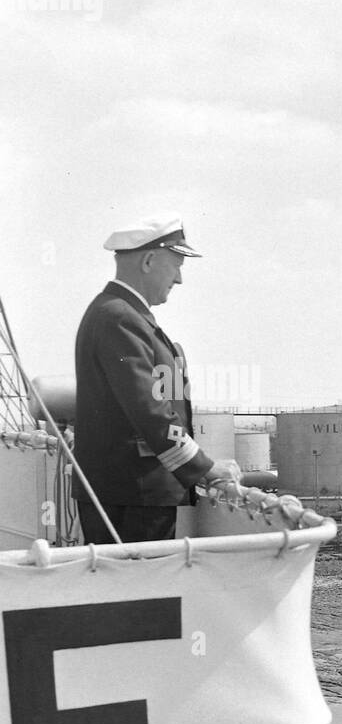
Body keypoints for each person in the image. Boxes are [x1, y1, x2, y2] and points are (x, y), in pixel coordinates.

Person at [73, 215, 242, 544]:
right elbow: (149, 411)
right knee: (140, 590)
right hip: (134, 497)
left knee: (133, 592)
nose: (179, 279)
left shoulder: (119, 313)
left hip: (134, 494)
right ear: (149, 261)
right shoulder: (120, 317)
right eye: (176, 265)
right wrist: (206, 469)